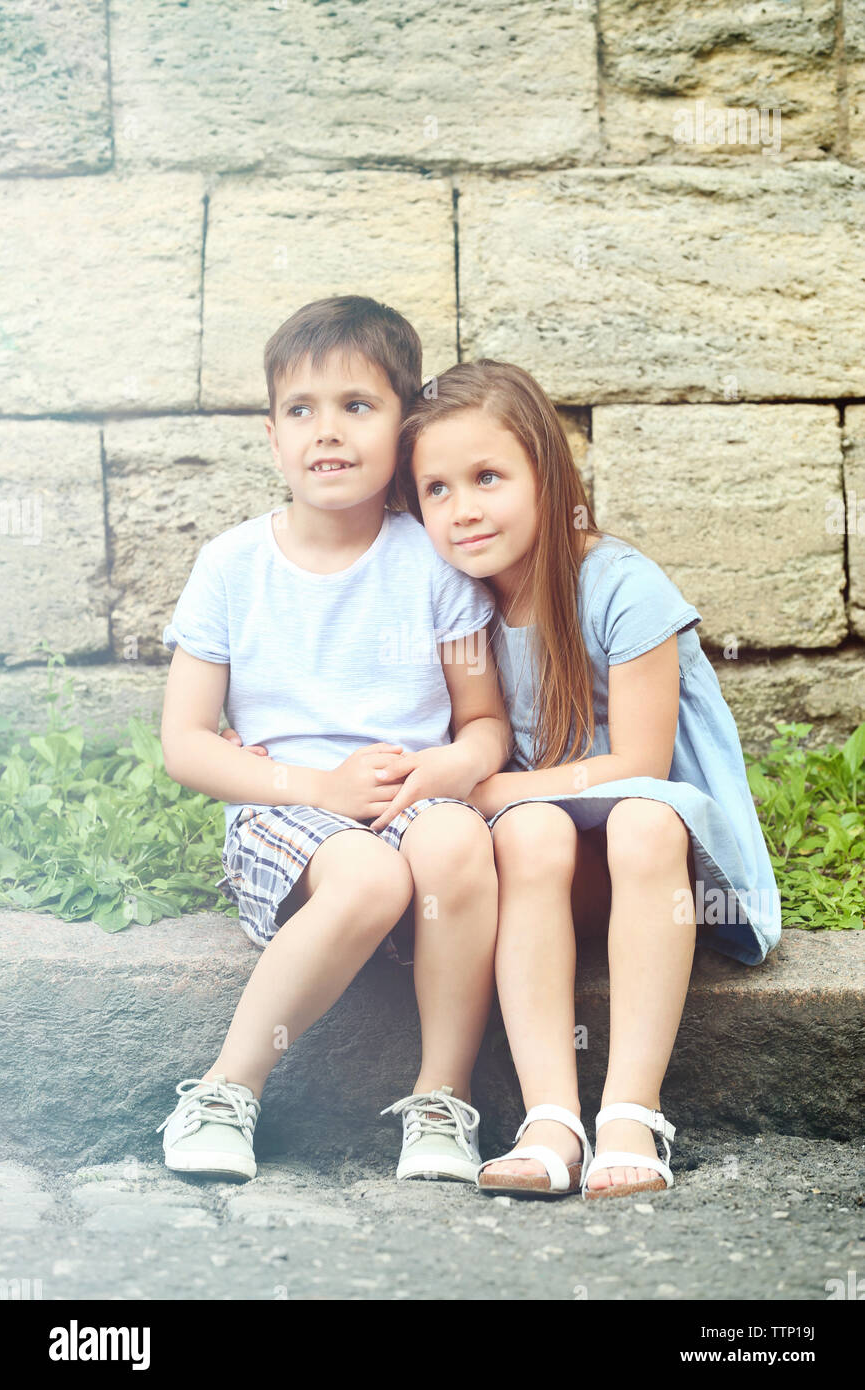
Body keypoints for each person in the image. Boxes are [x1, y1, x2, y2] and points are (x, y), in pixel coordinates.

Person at [389, 358, 783, 1200]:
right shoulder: (459, 604)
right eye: (436, 490)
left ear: (547, 471)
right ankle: (551, 1119)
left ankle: (631, 1115)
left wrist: (496, 791)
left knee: (638, 817)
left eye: (488, 477)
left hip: (658, 860)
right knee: (533, 831)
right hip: (548, 861)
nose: (464, 510)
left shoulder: (622, 586)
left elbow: (641, 766)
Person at [156, 297, 511, 1184]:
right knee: (369, 871)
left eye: (358, 406)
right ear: (272, 435)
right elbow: (189, 744)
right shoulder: (233, 566)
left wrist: (451, 766)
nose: (329, 432)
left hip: (412, 795)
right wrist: (320, 789)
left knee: (459, 838)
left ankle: (442, 1102)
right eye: (302, 411)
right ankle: (226, 1089)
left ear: (404, 427)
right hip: (292, 808)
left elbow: (484, 722)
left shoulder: (432, 559)